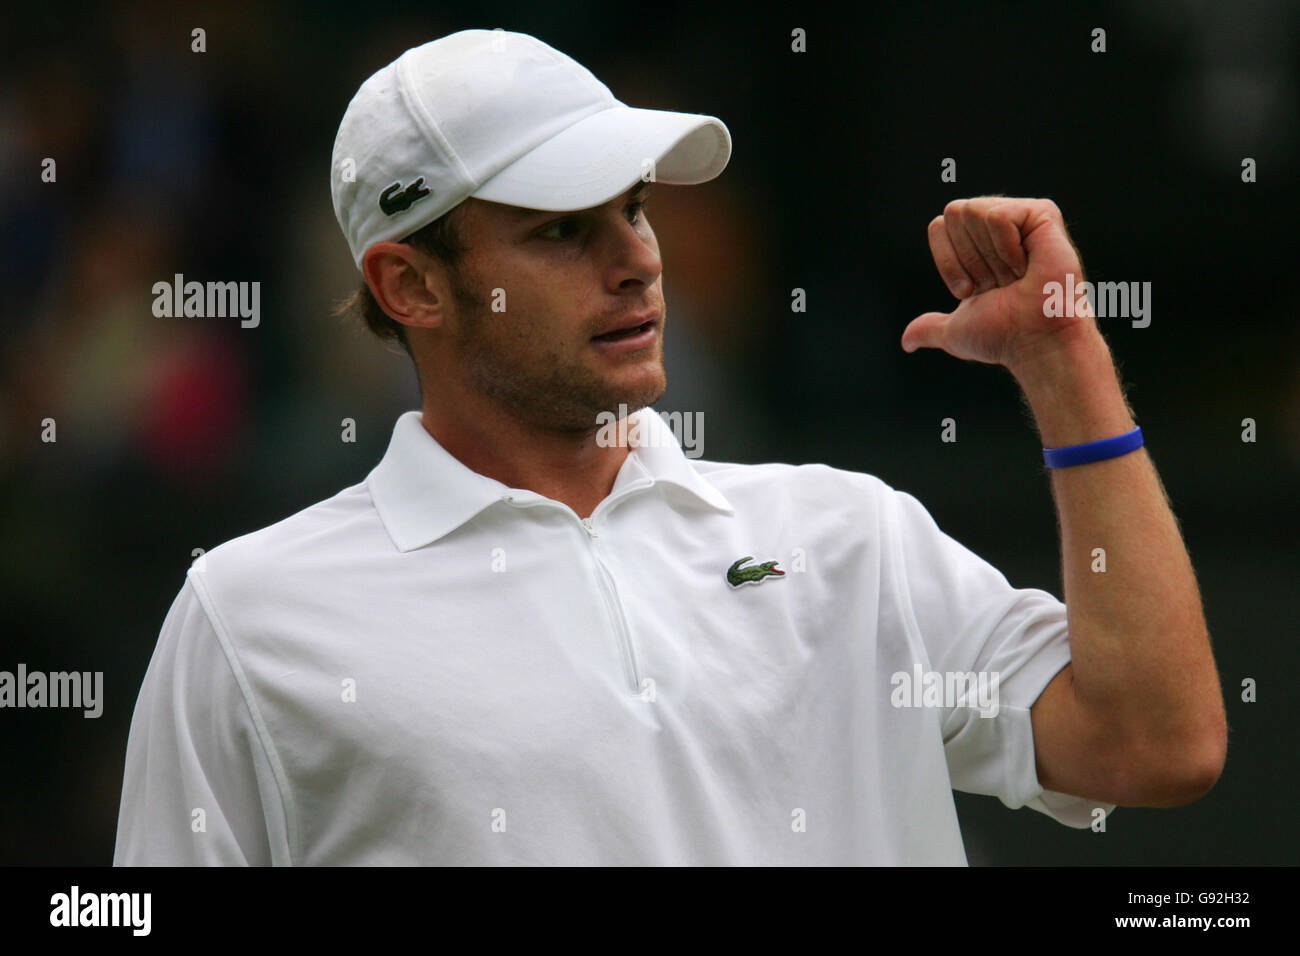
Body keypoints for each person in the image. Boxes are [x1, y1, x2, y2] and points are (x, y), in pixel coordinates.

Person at [112, 28, 1226, 866]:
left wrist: (1063, 363)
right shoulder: (248, 617)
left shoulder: (852, 534)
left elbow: (1156, 744)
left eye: (633, 209)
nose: (638, 259)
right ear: (409, 284)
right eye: (560, 229)